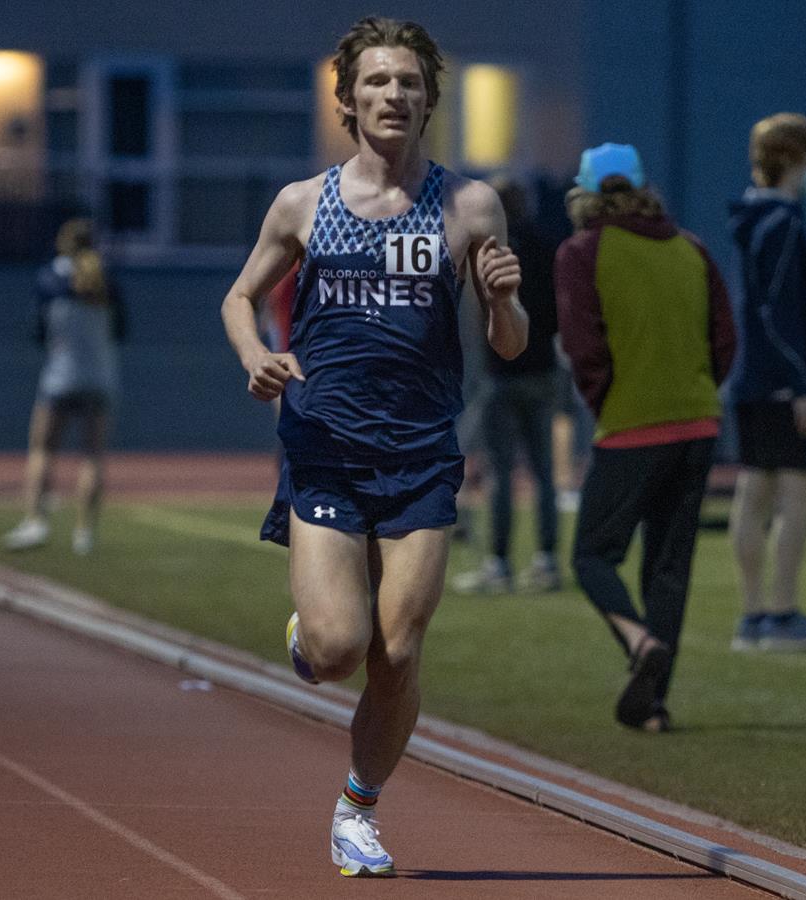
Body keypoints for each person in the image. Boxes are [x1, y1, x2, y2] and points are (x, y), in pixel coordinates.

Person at [219, 17, 526, 877]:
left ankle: (358, 809)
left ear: (430, 99)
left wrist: (503, 302)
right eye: (378, 82)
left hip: (423, 452)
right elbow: (239, 298)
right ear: (349, 98)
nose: (394, 95)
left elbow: (509, 344)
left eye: (410, 83)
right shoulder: (304, 203)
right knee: (339, 648)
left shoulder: (470, 204)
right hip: (325, 446)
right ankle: (308, 639)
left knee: (401, 646)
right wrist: (255, 357)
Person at [555, 143, 735, 732]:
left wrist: (606, 398)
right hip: (699, 424)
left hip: (632, 427)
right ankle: (655, 705)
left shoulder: (582, 252)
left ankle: (637, 643)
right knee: (668, 567)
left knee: (592, 556)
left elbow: (583, 346)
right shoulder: (693, 249)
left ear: (584, 191)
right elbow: (724, 341)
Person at [725, 113, 806, 652]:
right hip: (781, 381)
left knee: (754, 492)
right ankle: (782, 613)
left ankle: (753, 618)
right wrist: (802, 384)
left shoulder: (754, 219)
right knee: (794, 495)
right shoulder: (786, 224)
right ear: (795, 159)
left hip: (751, 377)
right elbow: (778, 314)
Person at [452, 175, 562, 593]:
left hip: (501, 374)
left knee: (500, 473)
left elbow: (481, 316)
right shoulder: (548, 246)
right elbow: (555, 311)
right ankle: (548, 561)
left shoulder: (489, 251)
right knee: (544, 472)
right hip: (544, 369)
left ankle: (498, 565)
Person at [2, 218, 125, 555]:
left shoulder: (49, 279)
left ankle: (35, 521)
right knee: (92, 456)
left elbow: (39, 332)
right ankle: (84, 533)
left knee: (42, 449)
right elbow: (121, 330)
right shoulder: (107, 281)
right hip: (98, 376)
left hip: (60, 376)